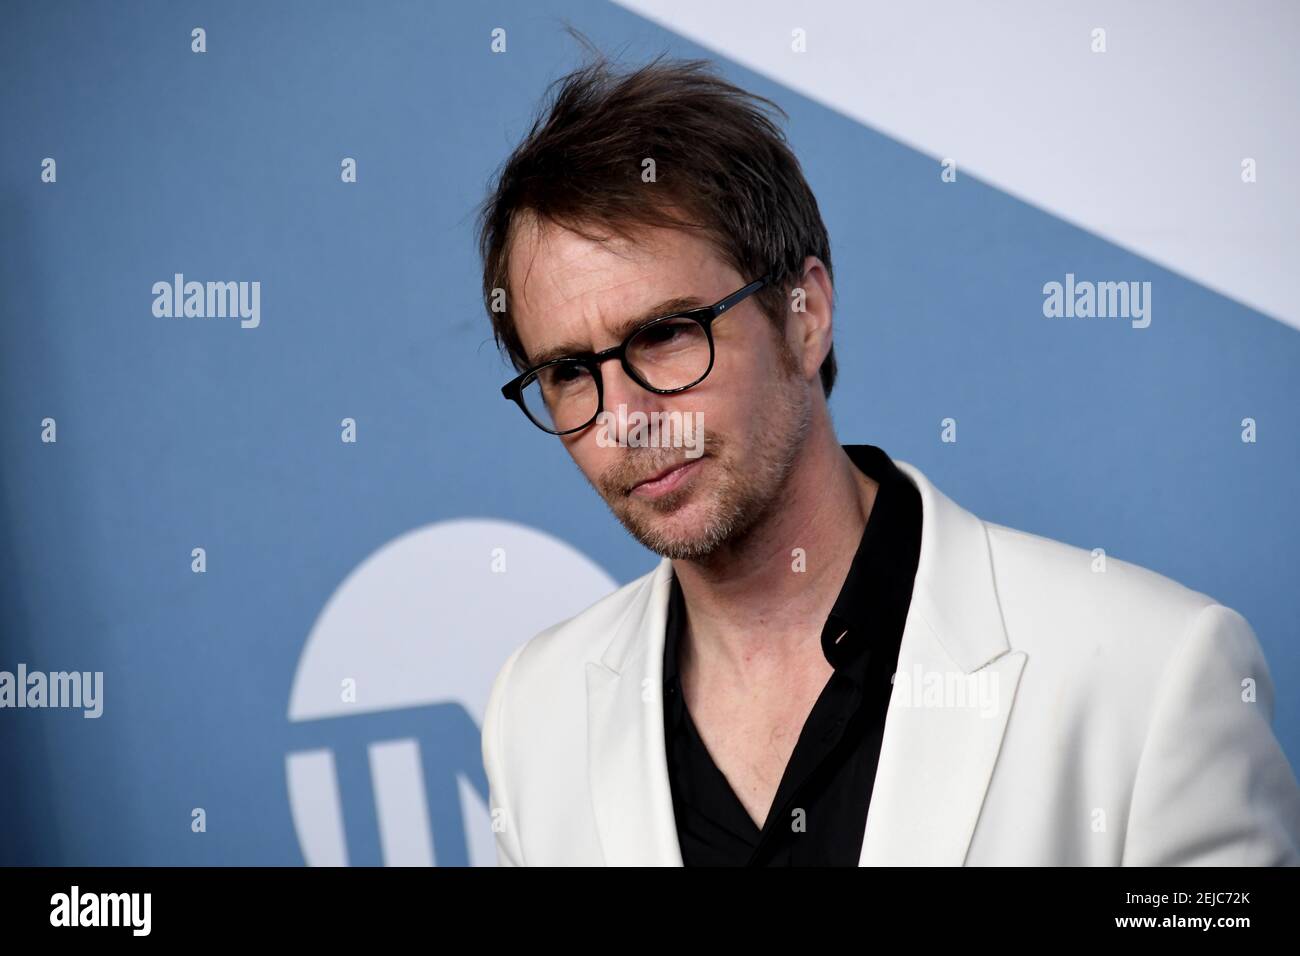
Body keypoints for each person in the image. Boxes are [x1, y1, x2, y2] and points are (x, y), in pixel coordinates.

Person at [474, 51, 1300, 865]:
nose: (624, 420)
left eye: (665, 334)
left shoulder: (1150, 673)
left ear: (805, 316)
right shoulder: (533, 713)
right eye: (569, 374)